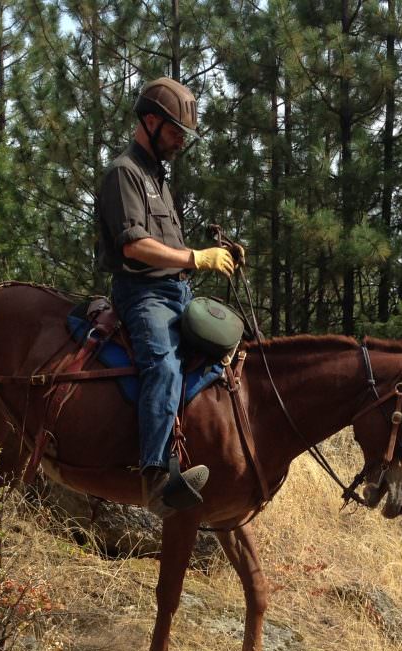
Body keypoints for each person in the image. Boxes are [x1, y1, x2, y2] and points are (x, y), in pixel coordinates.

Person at [95, 77, 237, 517]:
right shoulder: (125, 173)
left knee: (230, 348)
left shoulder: (158, 177)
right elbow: (133, 246)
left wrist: (219, 255)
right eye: (176, 131)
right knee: (165, 366)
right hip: (142, 297)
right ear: (151, 121)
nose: (180, 141)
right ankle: (155, 477)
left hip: (178, 292)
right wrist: (197, 257)